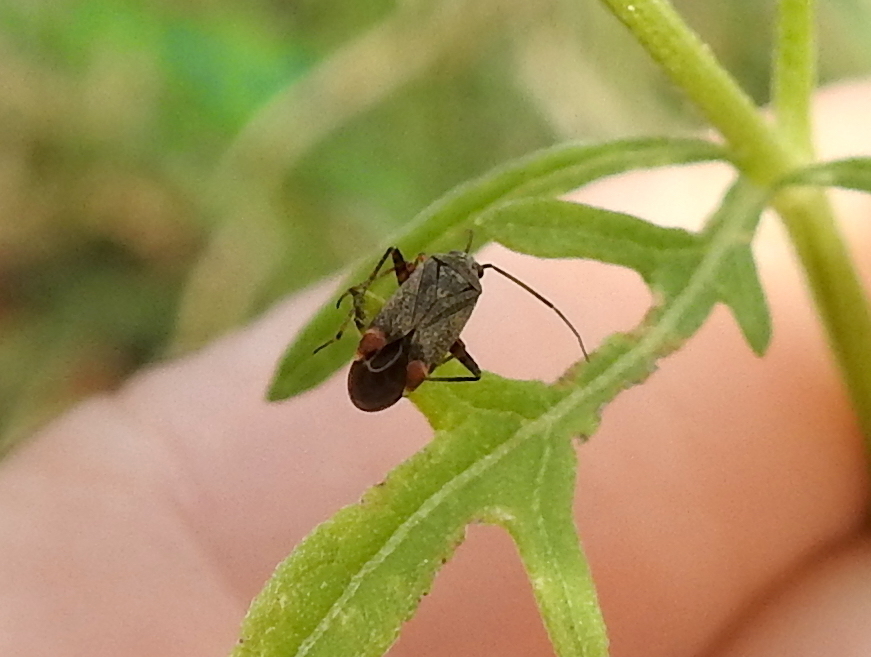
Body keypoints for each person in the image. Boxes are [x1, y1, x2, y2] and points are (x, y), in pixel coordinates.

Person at [3, 81, 870, 657]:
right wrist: (415, 353)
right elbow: (418, 319)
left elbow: (403, 292)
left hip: (395, 347)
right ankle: (406, 364)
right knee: (410, 348)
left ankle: (393, 356)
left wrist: (398, 333)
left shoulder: (429, 291)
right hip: (399, 352)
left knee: (392, 330)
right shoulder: (456, 303)